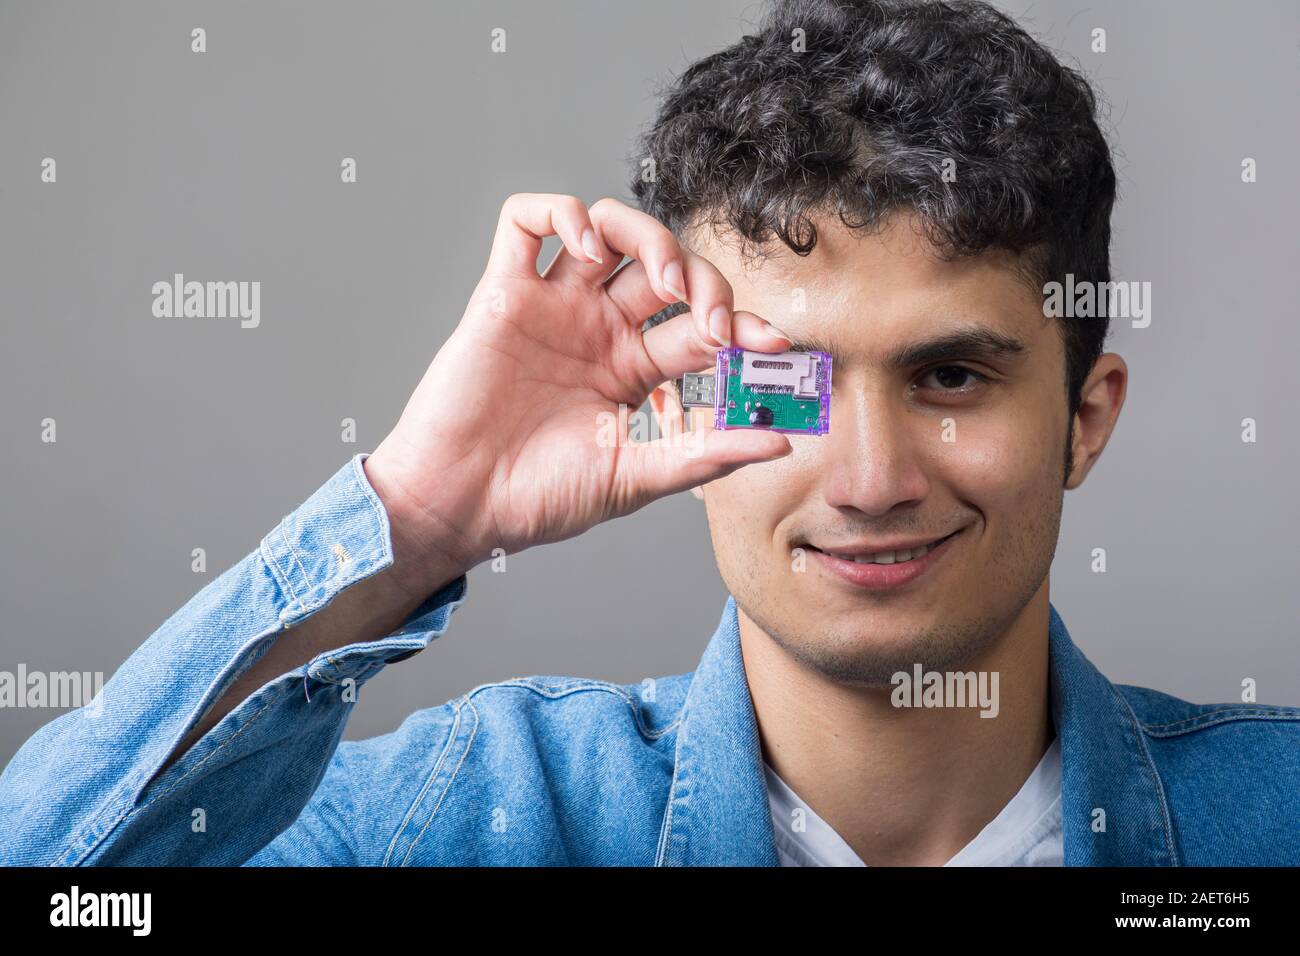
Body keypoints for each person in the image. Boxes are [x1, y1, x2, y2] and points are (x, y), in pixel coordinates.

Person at [2, 0, 1296, 867]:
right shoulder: (477, 815)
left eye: (951, 377)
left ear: (1083, 419)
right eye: (783, 380)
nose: (867, 476)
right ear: (680, 399)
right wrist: (413, 524)